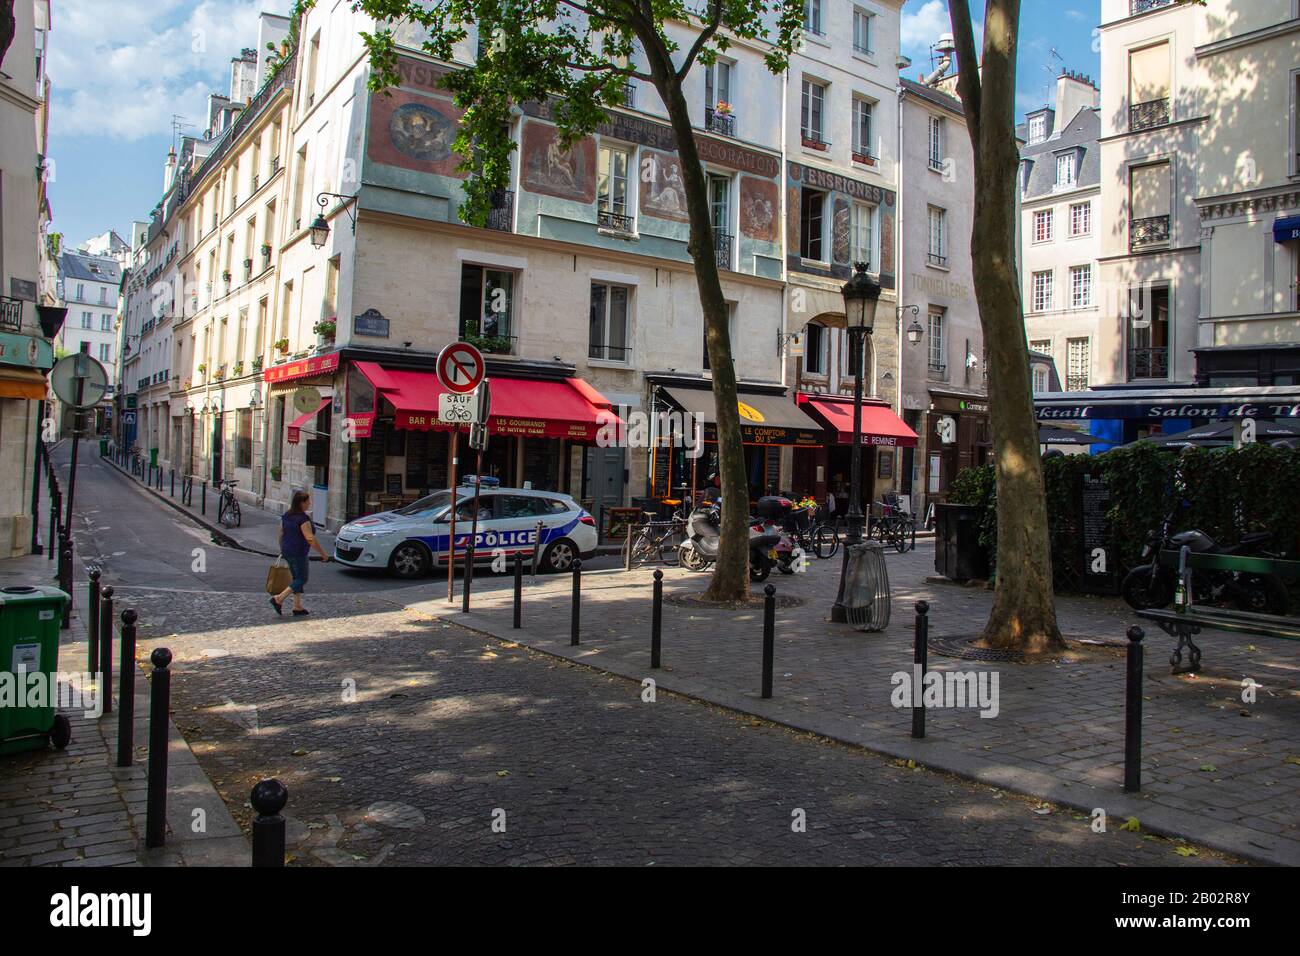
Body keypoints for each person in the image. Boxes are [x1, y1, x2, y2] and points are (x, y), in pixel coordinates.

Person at [271, 490, 331, 617]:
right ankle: (279, 598)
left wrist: (282, 547)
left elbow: (281, 532)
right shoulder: (303, 519)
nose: (309, 503)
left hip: (287, 550)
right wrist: (323, 554)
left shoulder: (287, 515)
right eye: (308, 501)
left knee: (296, 577)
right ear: (301, 503)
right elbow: (310, 538)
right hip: (298, 552)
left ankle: (297, 606)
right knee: (302, 579)